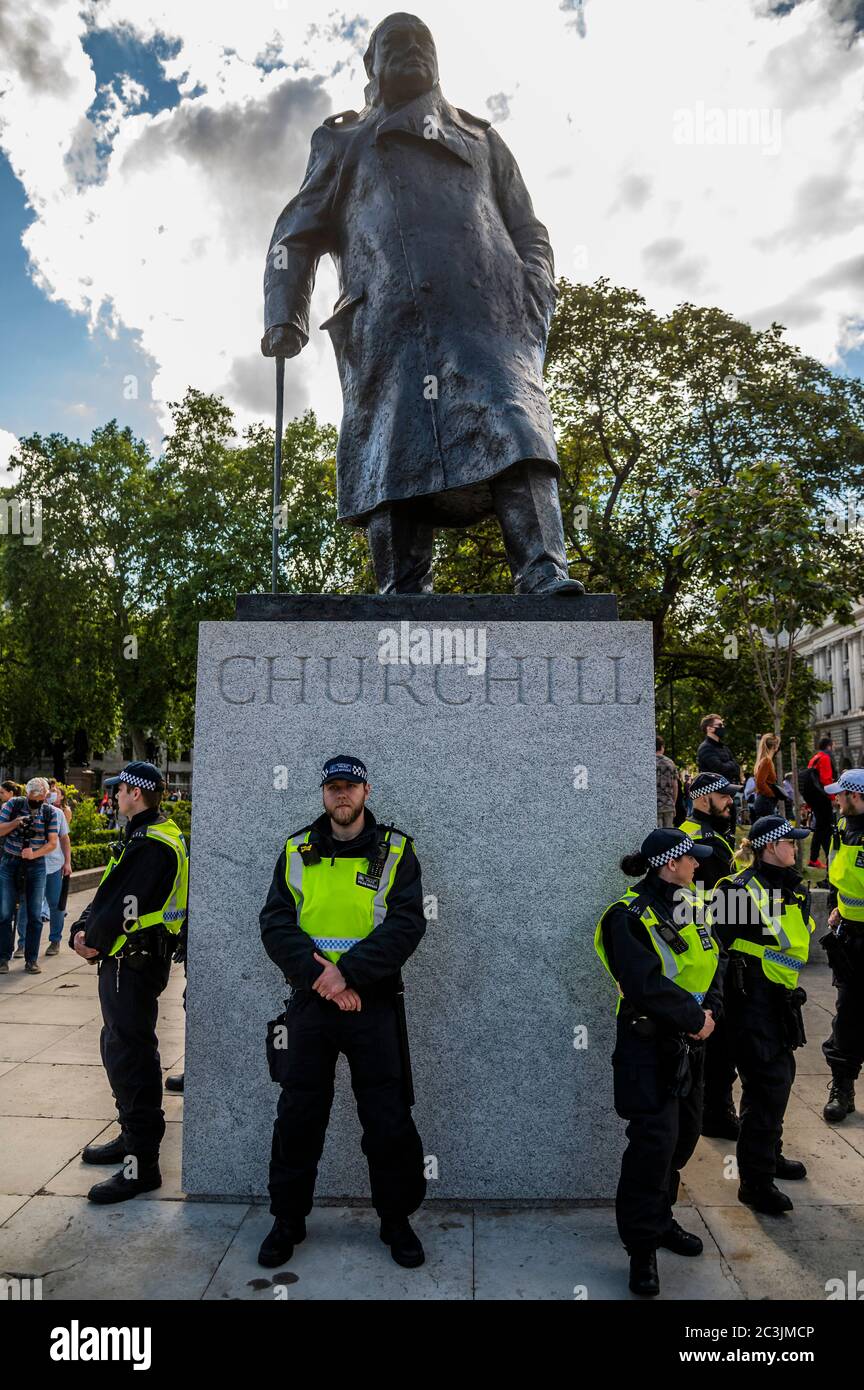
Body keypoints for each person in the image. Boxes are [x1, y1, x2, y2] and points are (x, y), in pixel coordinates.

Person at [261, 12, 584, 597]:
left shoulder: (483, 140)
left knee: (517, 424)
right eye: (395, 44)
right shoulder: (343, 141)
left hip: (488, 317)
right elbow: (296, 234)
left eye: (422, 43)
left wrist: (534, 289)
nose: (412, 52)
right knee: (392, 449)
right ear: (371, 65)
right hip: (389, 322)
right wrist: (285, 312)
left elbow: (528, 227)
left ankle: (543, 570)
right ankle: (402, 591)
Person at [258, 755, 427, 1270]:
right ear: (323, 794)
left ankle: (396, 1221)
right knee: (298, 1114)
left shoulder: (396, 850)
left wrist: (347, 973)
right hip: (312, 1004)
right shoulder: (296, 849)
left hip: (372, 1004)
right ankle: (288, 1219)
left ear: (367, 791)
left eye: (350, 787)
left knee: (388, 1118)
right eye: (333, 788)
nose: (342, 796)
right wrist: (324, 982)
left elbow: (406, 925)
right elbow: (275, 924)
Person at [595, 828, 724, 1297]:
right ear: (671, 863)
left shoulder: (693, 905)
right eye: (693, 859)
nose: (698, 866)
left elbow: (715, 961)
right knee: (654, 1145)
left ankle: (662, 1217)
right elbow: (642, 983)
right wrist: (694, 1018)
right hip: (647, 1048)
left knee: (684, 1138)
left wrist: (711, 1014)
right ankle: (642, 1246)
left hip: (691, 1044)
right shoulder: (625, 917)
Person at [69, 761, 188, 1203]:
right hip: (131, 963)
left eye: (119, 790)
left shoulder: (150, 844)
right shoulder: (148, 835)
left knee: (131, 1057)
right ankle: (130, 1141)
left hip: (131, 963)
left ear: (134, 793)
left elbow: (121, 907)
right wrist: (83, 924)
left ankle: (142, 1165)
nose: (115, 796)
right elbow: (106, 893)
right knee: (120, 1048)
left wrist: (87, 939)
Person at [710, 816, 814, 1214]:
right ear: (770, 846)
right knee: (766, 1088)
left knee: (778, 1082)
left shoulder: (792, 887)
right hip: (748, 1001)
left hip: (779, 1000)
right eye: (791, 841)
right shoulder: (737, 890)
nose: (797, 847)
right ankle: (755, 1182)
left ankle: (768, 1156)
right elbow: (714, 949)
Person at [678, 772, 741, 1139]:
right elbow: (724, 906)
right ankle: (716, 1114)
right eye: (724, 795)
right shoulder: (707, 842)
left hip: (698, 946)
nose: (730, 800)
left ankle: (706, 1111)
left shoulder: (689, 831)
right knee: (719, 1039)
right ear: (703, 799)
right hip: (713, 947)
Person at [820, 768, 864, 1124]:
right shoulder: (840, 827)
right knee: (848, 1014)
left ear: (857, 796)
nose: (836, 799)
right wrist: (836, 904)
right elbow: (839, 874)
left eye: (841, 794)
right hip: (850, 936)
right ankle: (842, 1089)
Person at [0, 777, 62, 973]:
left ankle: (31, 959)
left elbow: (52, 842)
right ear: (27, 794)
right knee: (4, 913)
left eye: (41, 798)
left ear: (44, 796)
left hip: (36, 865)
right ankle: (2, 958)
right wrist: (16, 823)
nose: (37, 801)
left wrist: (33, 853)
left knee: (35, 914)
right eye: (34, 798)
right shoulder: (13, 805)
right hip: (10, 862)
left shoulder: (49, 811)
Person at [17, 786, 72, 957]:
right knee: (26, 905)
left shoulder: (57, 813)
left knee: (55, 904)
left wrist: (68, 862)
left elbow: (64, 839)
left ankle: (55, 940)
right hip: (30, 867)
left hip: (52, 866)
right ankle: (22, 944)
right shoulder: (23, 812)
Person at [806, 736, 836, 871]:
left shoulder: (815, 758)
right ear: (829, 746)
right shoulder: (825, 758)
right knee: (824, 829)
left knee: (822, 829)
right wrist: (833, 797)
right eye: (833, 745)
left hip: (814, 798)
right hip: (822, 798)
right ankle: (815, 858)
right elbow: (826, 779)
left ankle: (818, 858)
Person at [753, 734, 784, 819]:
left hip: (765, 801)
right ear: (775, 746)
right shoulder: (766, 761)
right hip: (765, 802)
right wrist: (772, 794)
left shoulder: (765, 760)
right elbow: (760, 783)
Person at [655, 736, 679, 829]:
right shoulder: (670, 762)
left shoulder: (648, 762)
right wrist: (673, 803)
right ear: (662, 747)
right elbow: (675, 785)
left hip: (654, 805)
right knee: (668, 833)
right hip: (668, 804)